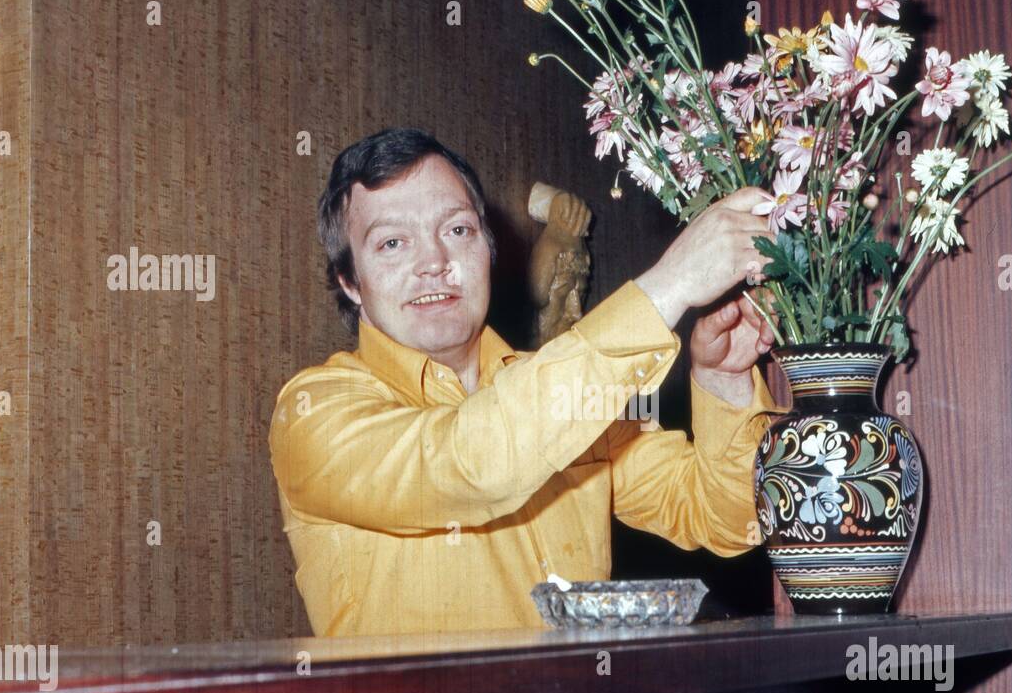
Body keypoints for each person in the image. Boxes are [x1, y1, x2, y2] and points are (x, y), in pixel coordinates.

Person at [268, 126, 790, 637]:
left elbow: (724, 519)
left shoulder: (561, 392)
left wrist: (724, 382)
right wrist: (670, 284)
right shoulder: (314, 412)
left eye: (457, 231)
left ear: (488, 250)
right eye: (392, 243)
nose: (434, 263)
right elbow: (470, 463)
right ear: (350, 282)